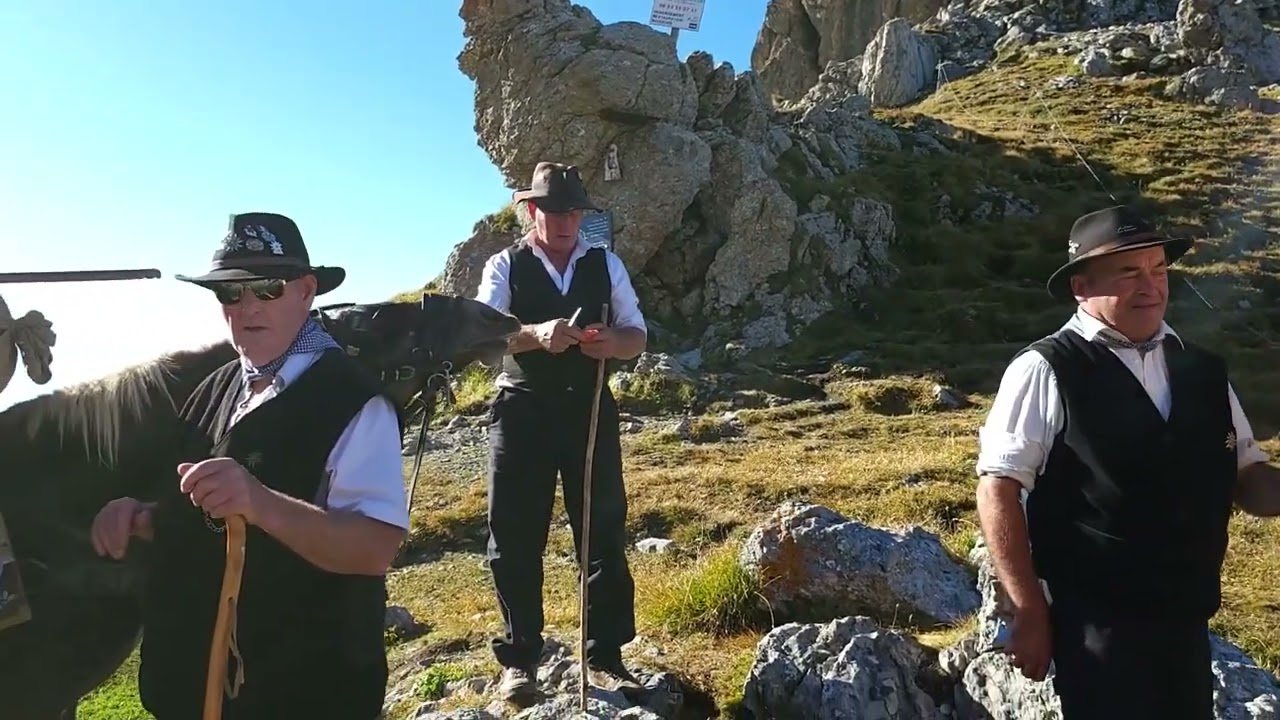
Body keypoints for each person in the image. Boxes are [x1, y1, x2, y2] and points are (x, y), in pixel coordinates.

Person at [88, 212, 409, 719]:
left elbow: (373, 547)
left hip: (305, 693)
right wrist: (144, 518)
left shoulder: (353, 401)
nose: (247, 307)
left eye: (268, 288)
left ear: (306, 291)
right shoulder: (211, 392)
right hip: (192, 688)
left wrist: (261, 503)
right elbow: (196, 516)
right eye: (230, 293)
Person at [974, 205, 1280, 719]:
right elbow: (999, 488)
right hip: (1095, 630)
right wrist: (1028, 610)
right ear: (1081, 287)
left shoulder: (1201, 370)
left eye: (1158, 270)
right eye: (1128, 273)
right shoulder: (1046, 369)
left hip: (1187, 622)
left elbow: (1248, 477)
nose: (1151, 286)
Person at [474, 162, 648, 706]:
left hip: (590, 408)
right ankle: (520, 659)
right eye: (553, 210)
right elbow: (484, 335)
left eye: (574, 211)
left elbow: (637, 334)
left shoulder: (606, 262)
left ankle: (606, 655)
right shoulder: (504, 264)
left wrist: (610, 344)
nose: (565, 220)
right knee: (515, 536)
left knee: (600, 529)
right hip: (520, 410)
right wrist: (533, 335)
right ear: (531, 211)